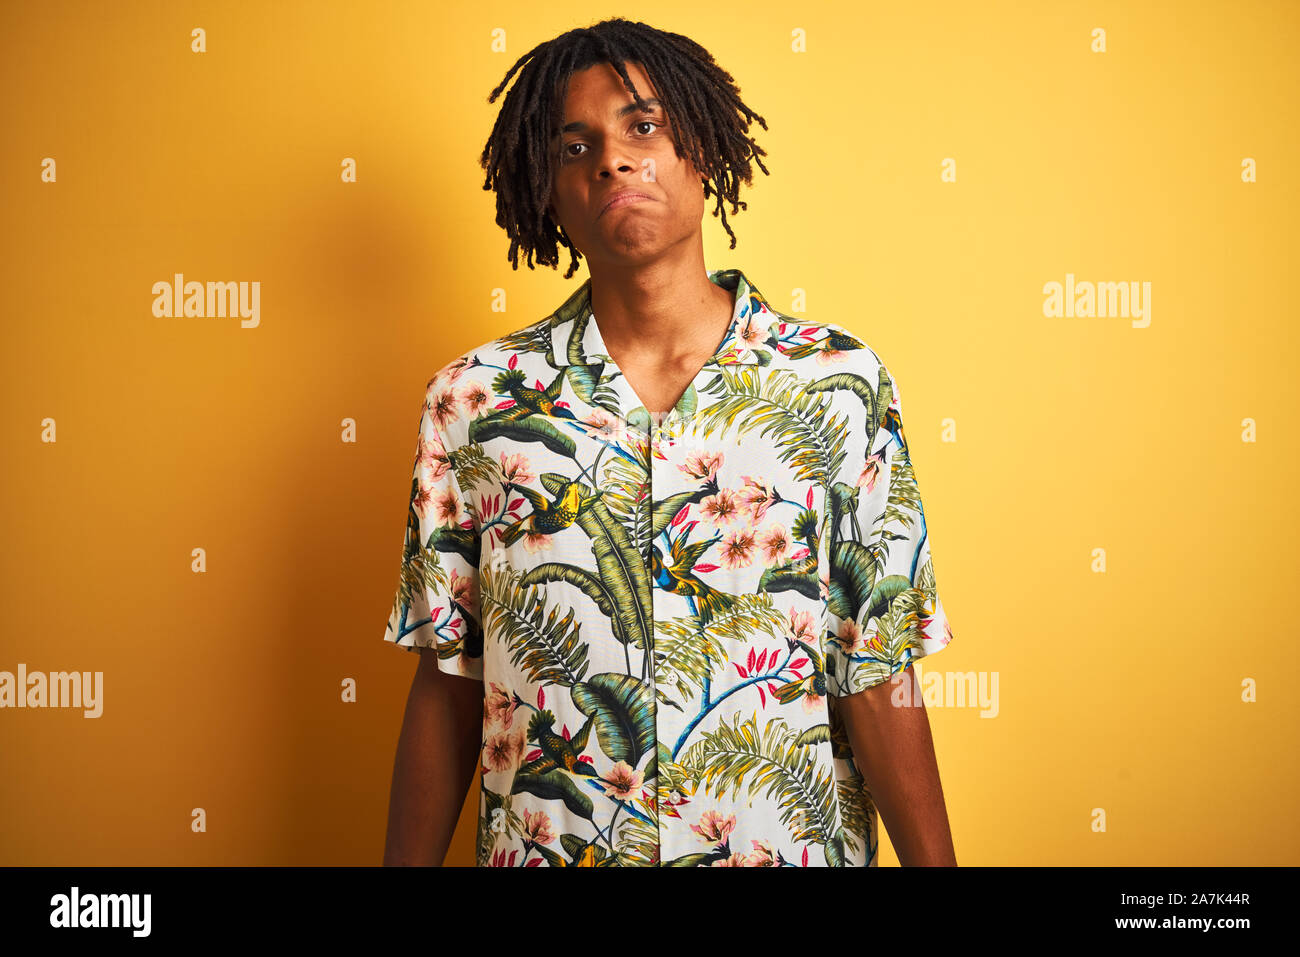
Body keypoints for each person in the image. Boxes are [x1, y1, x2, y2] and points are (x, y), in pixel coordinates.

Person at [381, 17, 957, 867]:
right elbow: (447, 681)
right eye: (575, 147)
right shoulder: (474, 401)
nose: (611, 158)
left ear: (703, 148)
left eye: (642, 126)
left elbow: (875, 670)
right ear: (546, 189)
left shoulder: (837, 386)